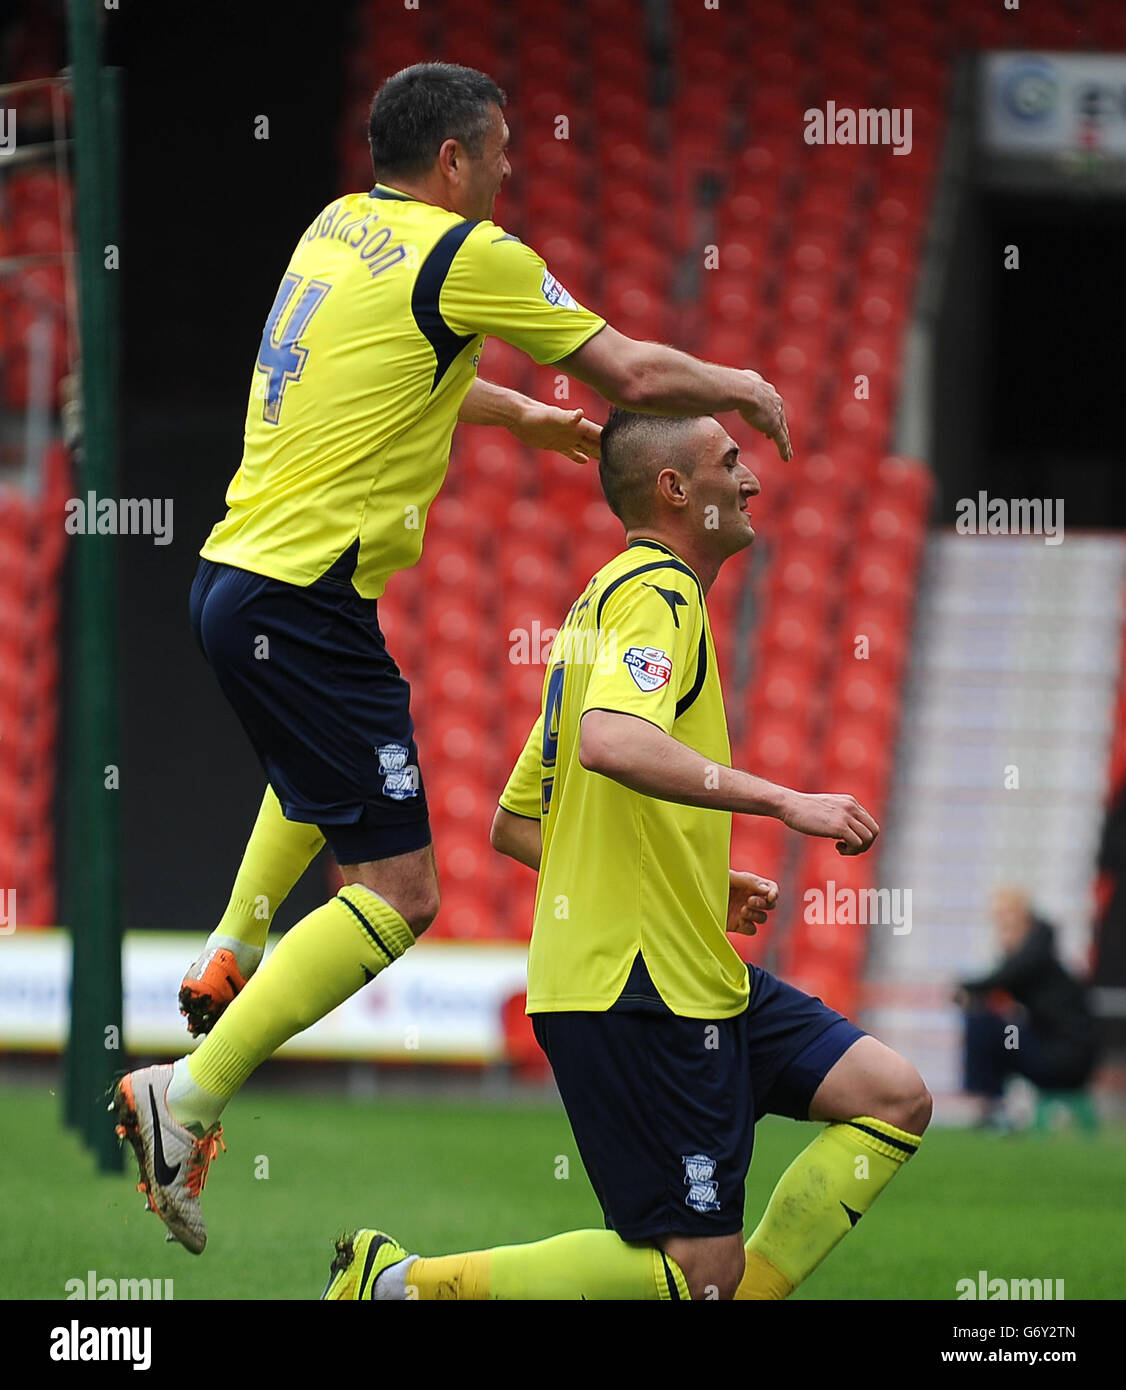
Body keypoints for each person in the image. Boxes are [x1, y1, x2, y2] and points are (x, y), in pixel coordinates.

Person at [112, 63, 792, 1255]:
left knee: (337, 770)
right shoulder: (471, 254)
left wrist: (523, 420)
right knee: (400, 891)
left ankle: (234, 940)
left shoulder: (338, 229)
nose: (513, 171)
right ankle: (192, 1094)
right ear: (457, 163)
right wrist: (736, 382)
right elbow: (629, 372)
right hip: (307, 595)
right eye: (504, 152)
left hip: (235, 578)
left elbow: (385, 378)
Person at [321, 409, 931, 1301]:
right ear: (675, 489)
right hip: (637, 984)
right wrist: (785, 800)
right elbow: (610, 740)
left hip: (683, 965)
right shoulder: (660, 594)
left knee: (891, 1096)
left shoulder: (594, 607)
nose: (751, 479)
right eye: (731, 462)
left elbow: (518, 819)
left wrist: (695, 876)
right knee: (695, 1269)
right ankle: (400, 1287)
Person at [957, 887, 1098, 1128]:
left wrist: (964, 988)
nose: (1002, 932)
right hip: (1058, 1052)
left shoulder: (1034, 953)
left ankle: (992, 1105)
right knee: (996, 1030)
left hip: (1062, 1059)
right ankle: (994, 1104)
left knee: (983, 1025)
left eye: (1007, 923)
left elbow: (1003, 977)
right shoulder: (1038, 952)